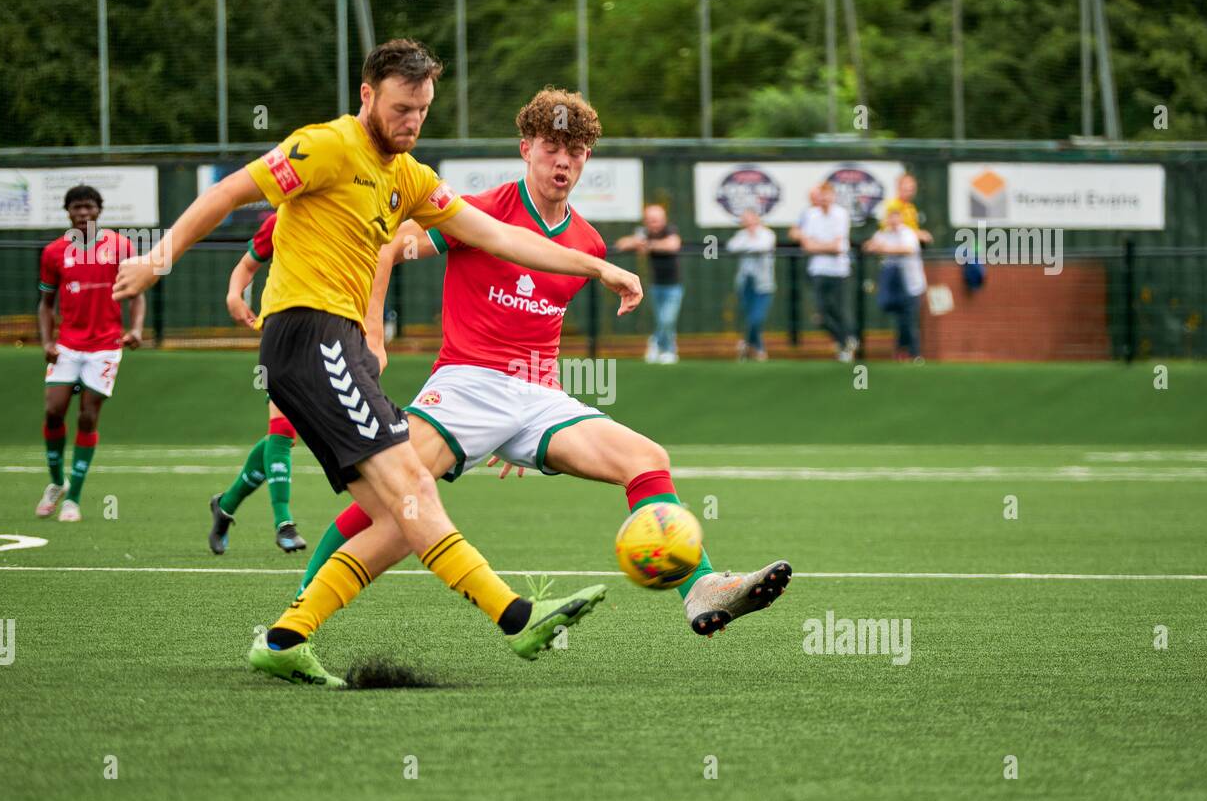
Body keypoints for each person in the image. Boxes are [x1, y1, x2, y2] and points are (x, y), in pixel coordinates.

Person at [112, 39, 644, 688]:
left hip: (333, 347)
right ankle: (520, 618)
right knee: (414, 492)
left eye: (421, 109)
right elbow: (228, 191)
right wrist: (156, 260)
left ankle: (286, 637)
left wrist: (601, 267)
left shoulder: (411, 176)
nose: (411, 122)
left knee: (399, 515)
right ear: (366, 96)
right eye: (400, 107)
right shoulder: (326, 146)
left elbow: (502, 236)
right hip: (308, 335)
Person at [295, 87, 791, 637]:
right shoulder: (475, 213)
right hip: (465, 386)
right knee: (392, 497)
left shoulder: (588, 244)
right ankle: (299, 610)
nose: (564, 161)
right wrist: (371, 331)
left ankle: (700, 589)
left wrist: (531, 415)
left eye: (576, 151)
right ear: (526, 148)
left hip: (535, 395)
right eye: (553, 146)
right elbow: (389, 246)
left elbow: (542, 323)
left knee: (647, 457)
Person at [35, 185, 144, 522]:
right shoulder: (54, 252)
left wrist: (137, 328)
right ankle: (56, 484)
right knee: (54, 411)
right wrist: (46, 341)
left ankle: (75, 500)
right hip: (67, 345)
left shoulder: (121, 246)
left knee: (87, 415)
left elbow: (136, 292)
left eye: (88, 207)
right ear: (68, 213)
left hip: (106, 346)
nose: (83, 213)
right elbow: (46, 303)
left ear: (99, 210)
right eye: (76, 208)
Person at [207, 212, 307, 555]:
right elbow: (247, 265)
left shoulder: (347, 212)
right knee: (282, 429)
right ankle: (284, 522)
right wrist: (235, 294)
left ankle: (226, 504)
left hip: (331, 332)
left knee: (285, 435)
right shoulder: (281, 219)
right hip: (281, 330)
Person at [793, 183, 856, 362]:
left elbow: (837, 246)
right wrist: (820, 246)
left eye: (827, 195)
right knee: (821, 314)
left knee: (839, 309)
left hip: (839, 271)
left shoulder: (841, 214)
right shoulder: (811, 215)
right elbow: (806, 245)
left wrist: (817, 245)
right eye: (822, 195)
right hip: (818, 270)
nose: (824, 199)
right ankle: (845, 340)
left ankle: (846, 343)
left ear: (833, 196)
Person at [616, 204, 682, 364]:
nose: (655, 224)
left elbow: (673, 244)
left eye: (657, 220)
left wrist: (649, 245)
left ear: (664, 220)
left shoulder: (670, 230)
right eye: (651, 221)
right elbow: (621, 244)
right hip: (656, 285)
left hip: (673, 285)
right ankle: (660, 346)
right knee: (661, 319)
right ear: (646, 221)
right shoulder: (644, 233)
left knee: (667, 319)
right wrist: (636, 242)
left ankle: (665, 348)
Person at [865, 206, 925, 361]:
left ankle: (914, 354)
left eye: (896, 216)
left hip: (911, 284)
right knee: (898, 317)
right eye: (890, 217)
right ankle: (902, 352)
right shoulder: (883, 234)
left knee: (909, 321)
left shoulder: (907, 233)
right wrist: (875, 246)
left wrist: (884, 248)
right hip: (894, 285)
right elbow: (869, 247)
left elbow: (908, 249)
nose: (893, 220)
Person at [725, 208, 777, 361]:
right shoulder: (741, 235)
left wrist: (746, 247)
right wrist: (749, 246)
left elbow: (763, 247)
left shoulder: (767, 234)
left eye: (750, 220)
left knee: (756, 318)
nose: (747, 223)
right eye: (744, 221)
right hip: (745, 282)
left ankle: (748, 344)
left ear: (757, 219)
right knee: (748, 317)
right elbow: (731, 247)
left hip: (763, 284)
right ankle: (757, 348)